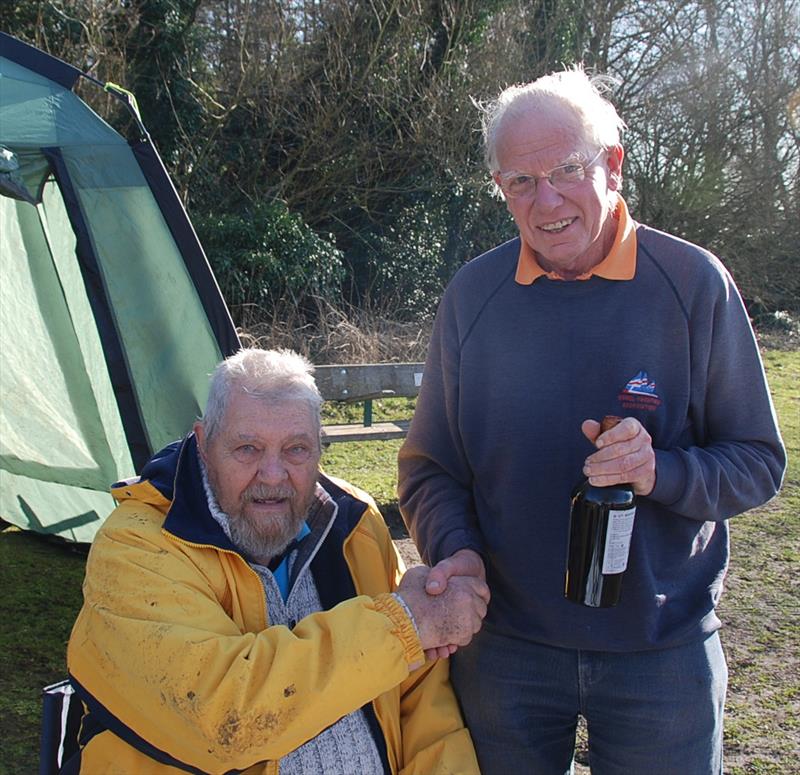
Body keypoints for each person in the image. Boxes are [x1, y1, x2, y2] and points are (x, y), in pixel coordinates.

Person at [398, 66, 786, 774]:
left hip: (661, 651)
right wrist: (456, 551)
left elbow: (758, 461)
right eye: (520, 181)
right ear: (500, 190)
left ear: (613, 164)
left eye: (567, 170)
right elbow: (430, 469)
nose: (546, 200)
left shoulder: (693, 283)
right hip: (506, 648)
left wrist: (659, 470)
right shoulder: (473, 297)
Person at [66, 348, 487, 774]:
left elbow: (422, 704)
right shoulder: (138, 547)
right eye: (247, 448)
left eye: (296, 449)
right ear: (204, 443)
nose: (272, 474)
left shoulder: (354, 525)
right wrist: (404, 624)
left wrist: (415, 624)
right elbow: (226, 720)